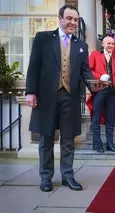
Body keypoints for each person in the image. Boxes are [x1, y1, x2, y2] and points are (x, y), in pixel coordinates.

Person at [25, 4, 94, 192]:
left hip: (69, 98)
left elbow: (85, 71)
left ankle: (67, 176)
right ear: (60, 19)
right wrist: (30, 91)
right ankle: (46, 177)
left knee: (68, 139)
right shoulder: (43, 39)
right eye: (69, 18)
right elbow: (33, 66)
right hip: (46, 97)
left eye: (75, 19)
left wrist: (95, 85)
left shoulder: (81, 46)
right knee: (46, 139)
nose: (72, 22)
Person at [87, 36, 115, 153]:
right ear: (103, 44)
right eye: (108, 43)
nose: (111, 45)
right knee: (96, 118)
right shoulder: (95, 54)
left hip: (112, 91)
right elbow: (88, 70)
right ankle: (97, 144)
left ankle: (110, 144)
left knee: (110, 118)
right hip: (99, 90)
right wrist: (99, 76)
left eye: (112, 44)